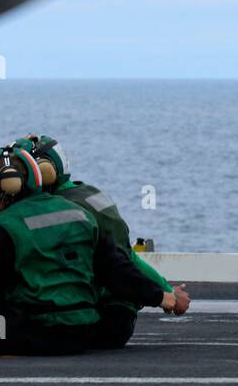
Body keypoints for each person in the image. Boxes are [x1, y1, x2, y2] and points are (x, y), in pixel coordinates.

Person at [0, 146, 190, 356]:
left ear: (8, 186)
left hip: (38, 332)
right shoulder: (82, 215)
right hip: (82, 332)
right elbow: (117, 269)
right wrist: (162, 297)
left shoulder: (6, 227)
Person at [11, 134, 173, 319]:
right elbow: (128, 257)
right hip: (121, 311)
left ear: (44, 172)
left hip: (94, 314)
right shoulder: (91, 193)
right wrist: (167, 291)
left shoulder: (58, 210)